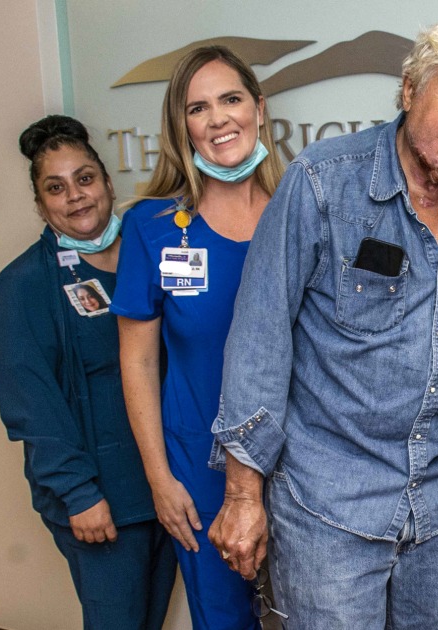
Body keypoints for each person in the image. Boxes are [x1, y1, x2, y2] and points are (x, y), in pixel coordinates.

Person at [206, 15, 438, 628]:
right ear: (410, 91)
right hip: (329, 507)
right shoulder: (324, 182)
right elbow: (259, 338)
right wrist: (243, 495)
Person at [111, 45, 284, 629]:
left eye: (231, 99)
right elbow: (136, 363)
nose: (218, 120)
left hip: (301, 464)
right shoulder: (152, 228)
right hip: (198, 469)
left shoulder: (300, 215)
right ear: (181, 125)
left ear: (259, 109)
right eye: (198, 107)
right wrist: (161, 480)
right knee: (225, 620)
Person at [0, 115, 176, 629]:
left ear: (108, 182)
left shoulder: (150, 256)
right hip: (100, 502)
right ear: (40, 202)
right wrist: (80, 495)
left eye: (85, 178)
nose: (75, 196)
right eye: (56, 187)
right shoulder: (24, 284)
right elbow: (32, 407)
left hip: (164, 488)